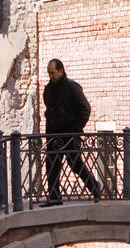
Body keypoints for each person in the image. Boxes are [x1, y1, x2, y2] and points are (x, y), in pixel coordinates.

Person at [42, 58, 101, 204]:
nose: (50, 76)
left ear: (61, 70)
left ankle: (95, 189)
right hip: (53, 135)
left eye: (53, 73)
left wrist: (75, 129)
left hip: (70, 134)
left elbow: (85, 109)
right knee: (52, 164)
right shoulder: (48, 89)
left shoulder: (72, 87)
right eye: (49, 73)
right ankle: (55, 197)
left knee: (75, 163)